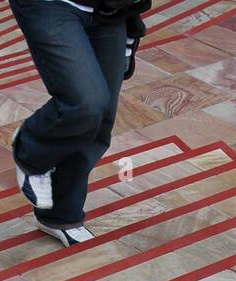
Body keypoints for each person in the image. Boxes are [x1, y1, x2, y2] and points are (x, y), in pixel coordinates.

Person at [9, 0, 151, 246]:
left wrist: (130, 31)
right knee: (86, 103)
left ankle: (59, 215)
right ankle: (30, 151)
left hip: (110, 9)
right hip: (52, 5)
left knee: (101, 119)